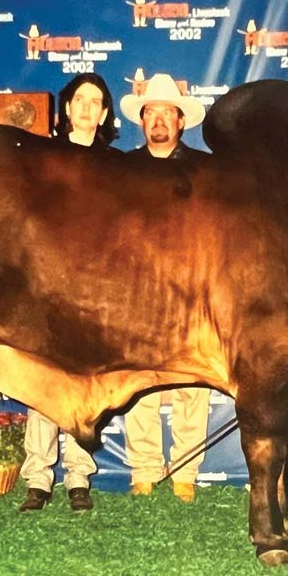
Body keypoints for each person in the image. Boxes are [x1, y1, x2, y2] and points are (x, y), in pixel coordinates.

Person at [18, 73, 117, 514]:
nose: (87, 108)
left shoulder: (118, 167)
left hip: (96, 284)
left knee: (84, 380)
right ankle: (38, 477)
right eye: (80, 99)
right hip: (46, 283)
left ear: (105, 113)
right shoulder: (42, 159)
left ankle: (78, 476)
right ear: (65, 109)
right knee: (43, 378)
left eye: (95, 101)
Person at [119, 73, 211, 501]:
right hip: (138, 289)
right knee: (142, 382)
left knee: (192, 382)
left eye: (166, 113)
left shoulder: (205, 171)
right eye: (150, 112)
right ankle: (143, 470)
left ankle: (185, 473)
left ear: (180, 120)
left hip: (192, 289)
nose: (158, 120)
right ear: (142, 121)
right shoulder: (120, 171)